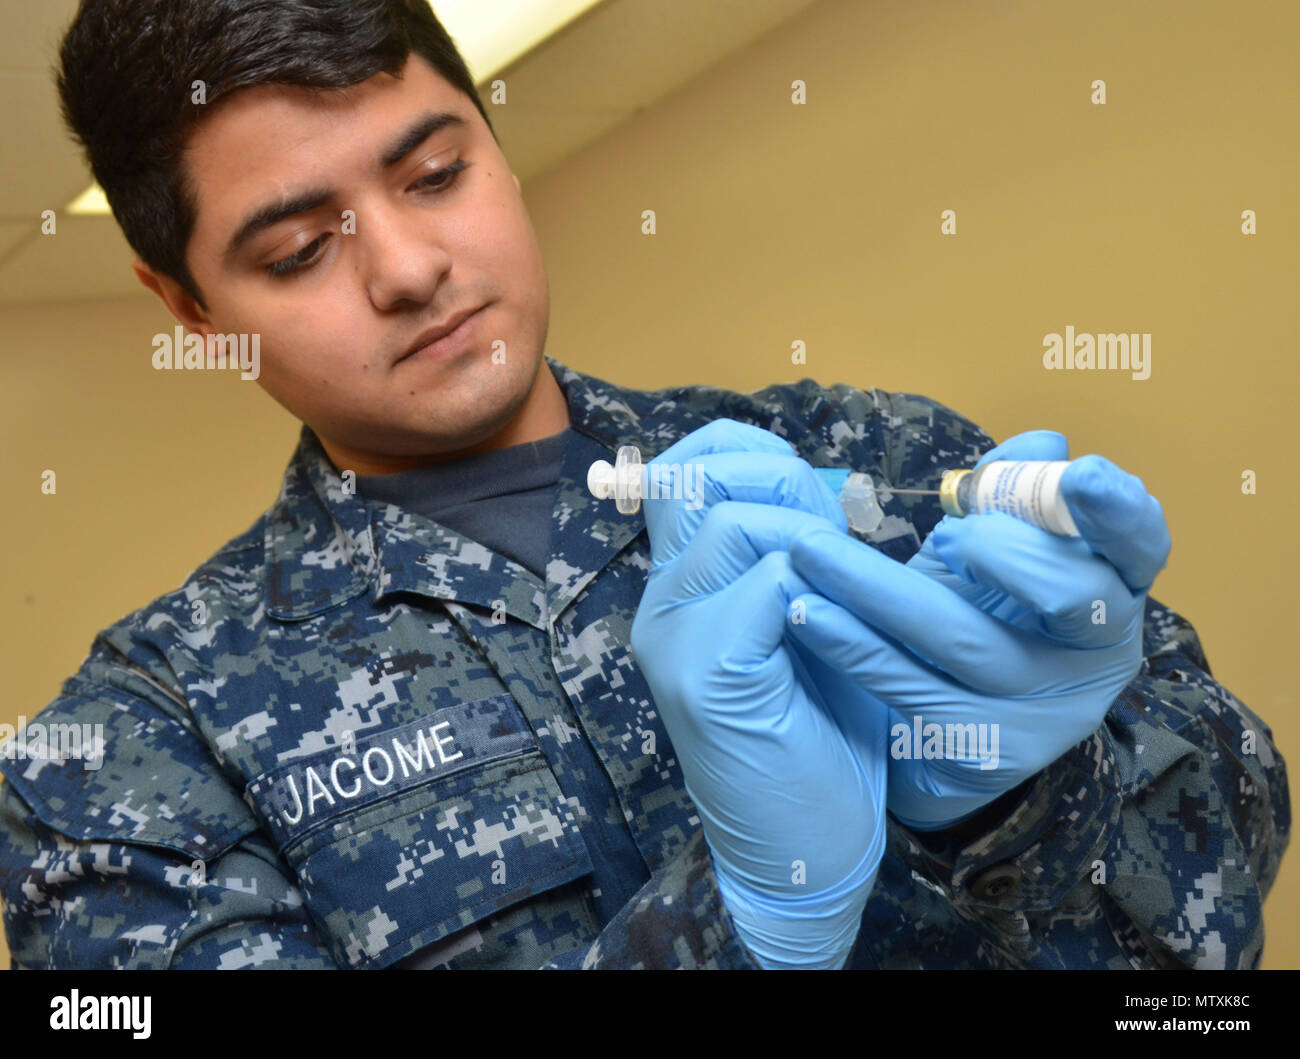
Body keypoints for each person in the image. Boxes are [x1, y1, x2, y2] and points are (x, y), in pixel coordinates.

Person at [0, 0, 1287, 970]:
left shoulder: (876, 462)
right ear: (185, 304)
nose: (404, 267)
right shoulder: (126, 757)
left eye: (435, 174)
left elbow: (1215, 920)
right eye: (294, 249)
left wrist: (1022, 795)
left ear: (495, 144)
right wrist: (754, 914)